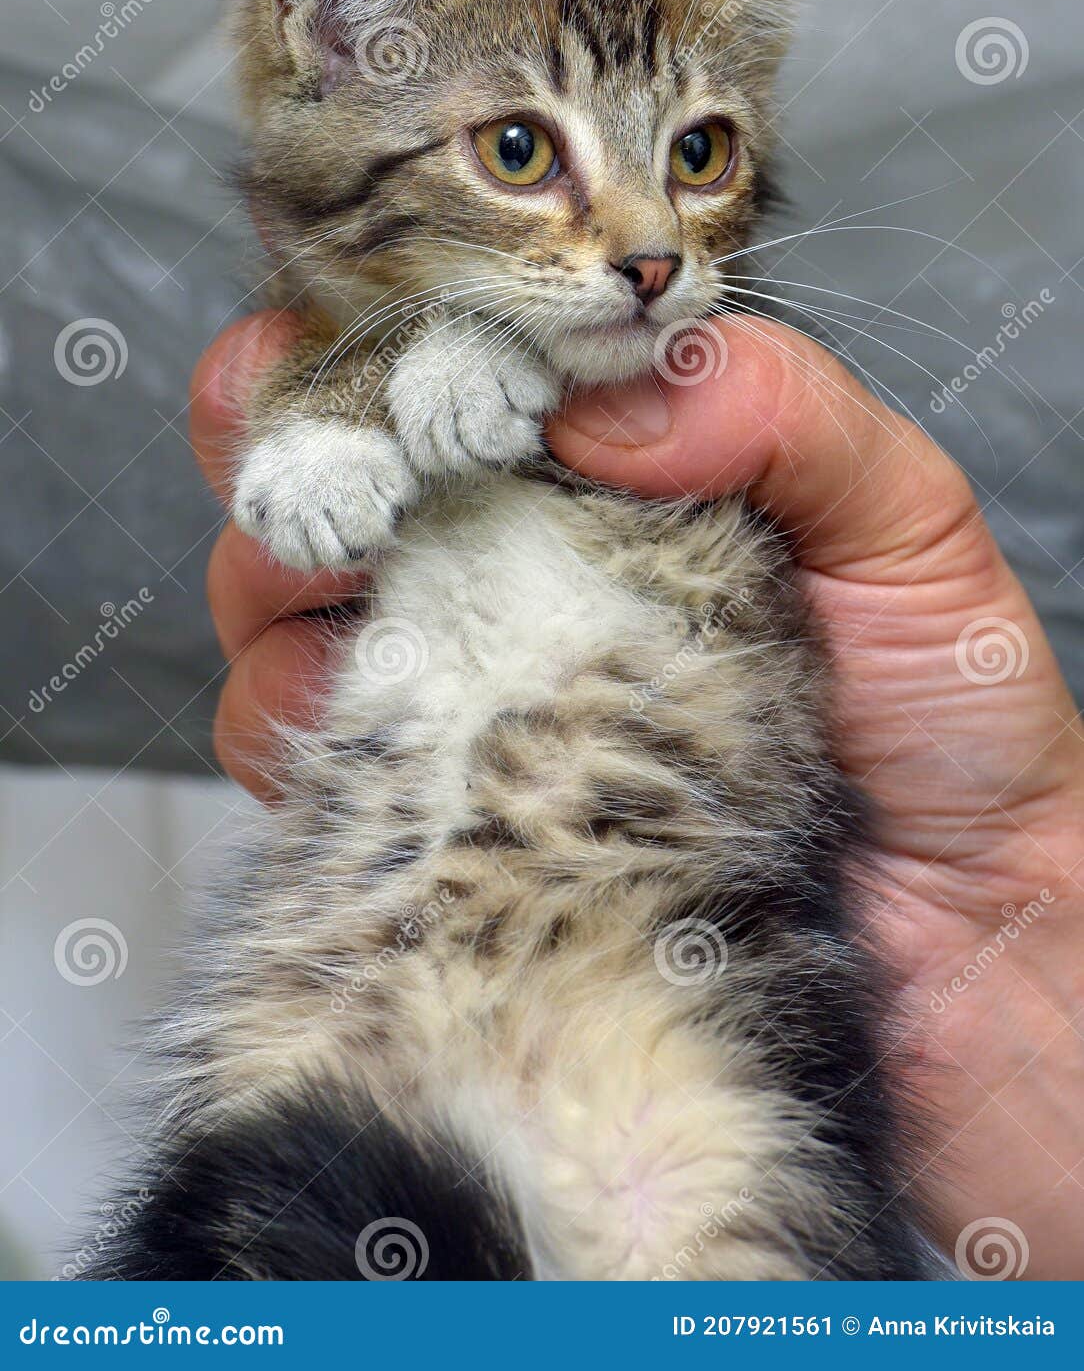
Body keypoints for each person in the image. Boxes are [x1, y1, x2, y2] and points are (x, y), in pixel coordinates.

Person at [191, 309, 1084, 1279]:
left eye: (698, 152)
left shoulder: (687, 394)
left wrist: (1005, 910)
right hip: (608, 1075)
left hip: (607, 1044)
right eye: (518, 146)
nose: (643, 252)